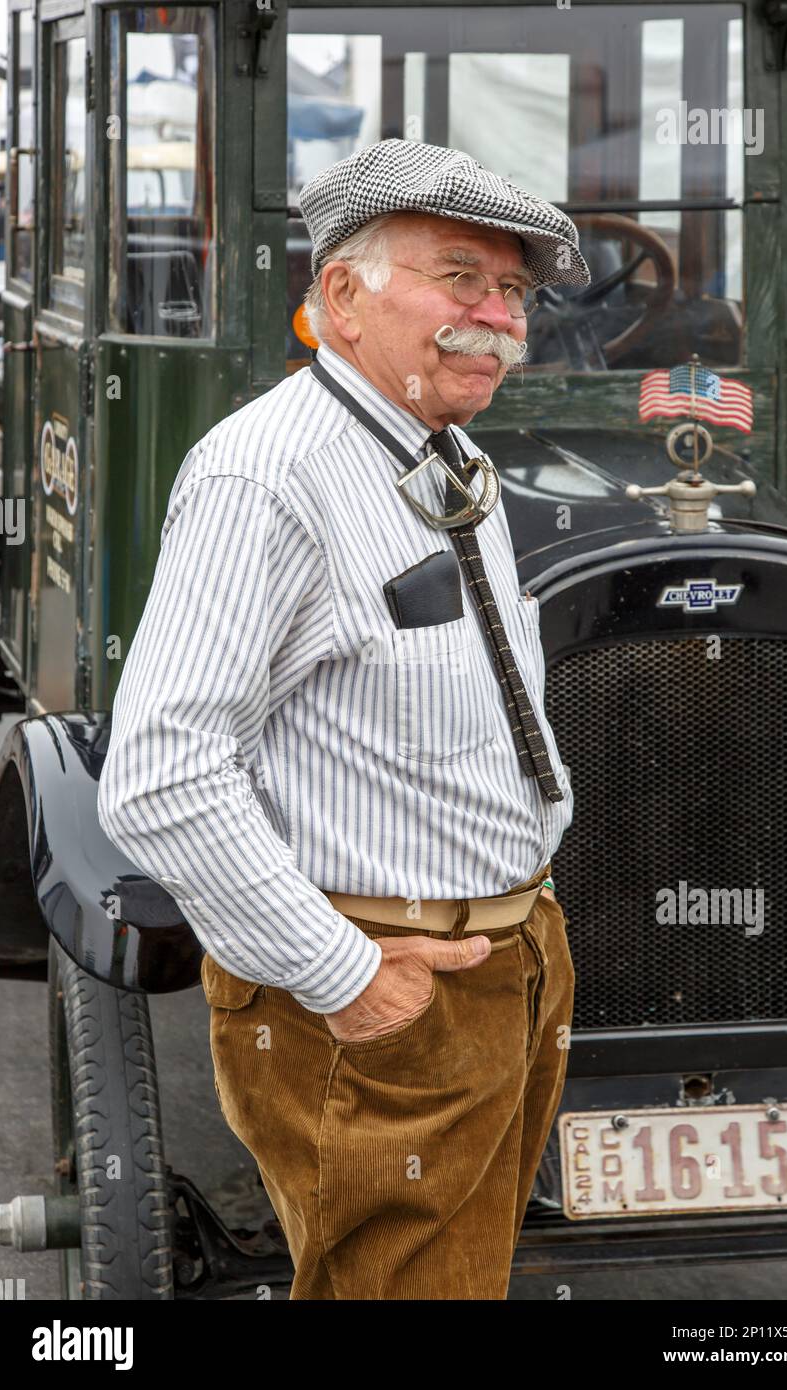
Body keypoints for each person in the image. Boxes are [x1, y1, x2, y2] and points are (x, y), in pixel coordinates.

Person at [97, 138, 588, 1300]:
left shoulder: (448, 455)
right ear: (340, 295)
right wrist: (344, 976)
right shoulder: (267, 475)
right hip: (378, 991)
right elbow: (161, 774)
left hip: (502, 968)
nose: (498, 318)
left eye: (514, 292)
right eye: (460, 277)